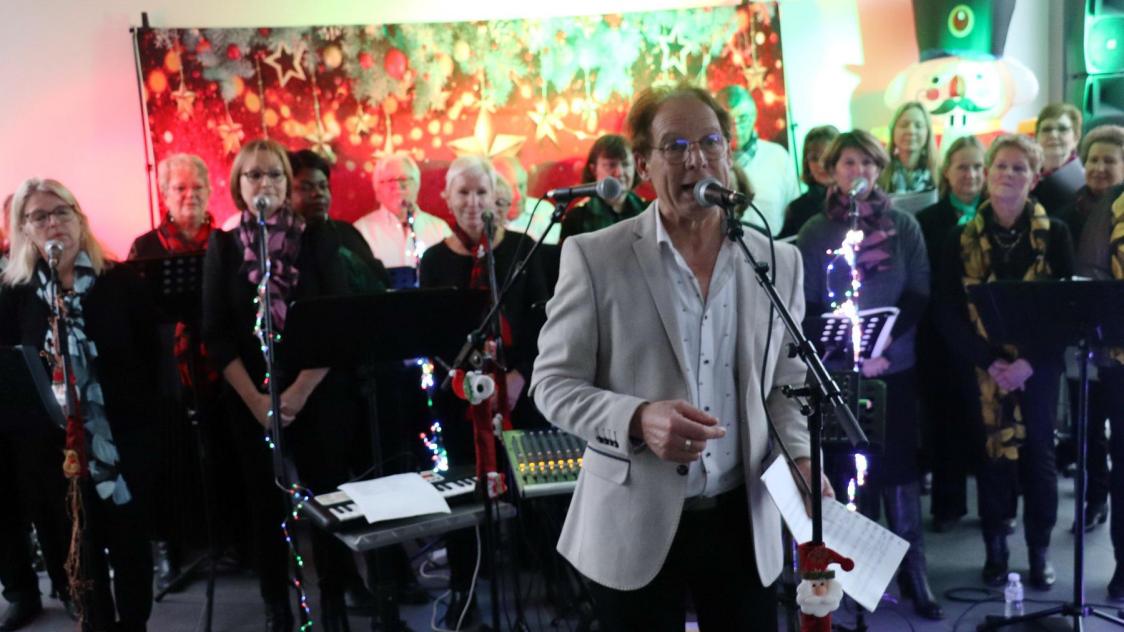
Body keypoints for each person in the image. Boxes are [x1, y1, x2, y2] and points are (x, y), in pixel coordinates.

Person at [531, 85, 832, 631]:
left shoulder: (776, 260)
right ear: (644, 163)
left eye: (710, 141)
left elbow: (786, 383)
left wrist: (800, 459)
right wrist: (638, 419)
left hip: (744, 516)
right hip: (632, 522)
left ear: (728, 153)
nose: (695, 159)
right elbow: (551, 385)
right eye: (674, 146)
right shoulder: (596, 256)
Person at [202, 139, 352, 631]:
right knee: (264, 504)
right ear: (237, 186)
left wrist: (297, 394)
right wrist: (259, 401)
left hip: (314, 391)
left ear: (287, 185)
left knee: (326, 501)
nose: (264, 184)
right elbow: (217, 334)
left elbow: (337, 325)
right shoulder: (222, 247)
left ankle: (333, 600)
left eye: (274, 176)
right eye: (253, 176)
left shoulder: (319, 239)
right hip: (250, 400)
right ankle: (276, 605)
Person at [1, 178, 162, 632]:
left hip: (122, 441)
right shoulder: (14, 295)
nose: (53, 223)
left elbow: (152, 367)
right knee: (80, 552)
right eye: (39, 216)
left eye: (62, 212)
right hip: (56, 454)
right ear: (24, 229)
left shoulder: (122, 283)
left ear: (79, 218)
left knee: (131, 549)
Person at [796, 130, 943, 620]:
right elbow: (812, 305)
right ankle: (860, 572)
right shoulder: (815, 231)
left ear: (879, 170)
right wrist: (852, 355)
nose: (856, 171)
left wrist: (884, 349)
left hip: (893, 368)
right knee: (846, 473)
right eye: (847, 163)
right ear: (831, 171)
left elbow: (919, 293)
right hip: (839, 373)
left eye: (866, 163)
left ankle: (913, 570)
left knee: (899, 469)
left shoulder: (905, 226)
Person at [937, 134, 1075, 590]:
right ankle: (996, 551)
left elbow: (1066, 309)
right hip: (983, 370)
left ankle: (1039, 552)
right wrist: (989, 362)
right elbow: (947, 309)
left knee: (1039, 460)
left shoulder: (1056, 234)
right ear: (987, 173)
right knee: (992, 458)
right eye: (1001, 166)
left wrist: (1028, 363)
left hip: (1038, 367)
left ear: (1035, 178)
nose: (1008, 175)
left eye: (1020, 168)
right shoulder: (960, 236)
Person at [419, 156, 550, 629]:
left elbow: (547, 327)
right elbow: (431, 334)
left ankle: (552, 576)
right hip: (462, 398)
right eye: (464, 194)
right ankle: (464, 587)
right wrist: (466, 381)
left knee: (537, 486)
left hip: (522, 391)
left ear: (498, 196)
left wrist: (519, 377)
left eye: (482, 192)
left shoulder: (523, 248)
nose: (474, 203)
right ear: (447, 201)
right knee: (464, 497)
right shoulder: (434, 261)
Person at [916, 135, 987, 533]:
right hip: (939, 335)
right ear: (947, 172)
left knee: (984, 423)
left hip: (986, 337)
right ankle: (948, 504)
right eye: (963, 166)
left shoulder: (997, 215)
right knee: (943, 422)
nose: (971, 175)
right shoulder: (928, 221)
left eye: (978, 167)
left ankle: (995, 509)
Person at [1057, 126, 1124, 543]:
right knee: (1085, 429)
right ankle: (1093, 498)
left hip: (1118, 347)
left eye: (1109, 160)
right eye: (1093, 159)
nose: (1099, 168)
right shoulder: (1065, 214)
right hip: (1078, 343)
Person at [289, 149, 390, 292]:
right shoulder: (280, 244)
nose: (318, 193)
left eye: (323, 186)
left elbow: (379, 283)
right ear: (284, 193)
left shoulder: (347, 233)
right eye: (306, 187)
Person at [717, 85, 800, 236]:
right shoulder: (709, 162)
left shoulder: (777, 156)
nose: (736, 126)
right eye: (728, 119)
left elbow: (792, 208)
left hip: (773, 247)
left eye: (743, 118)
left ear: (754, 117)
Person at [353, 152, 450, 276]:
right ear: (377, 191)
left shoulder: (439, 229)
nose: (398, 186)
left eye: (404, 179)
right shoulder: (361, 231)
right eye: (390, 180)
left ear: (417, 185)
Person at [560, 134, 645, 241]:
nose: (619, 172)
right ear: (593, 169)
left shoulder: (650, 211)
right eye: (611, 165)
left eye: (626, 164)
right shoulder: (577, 219)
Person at [129, 153, 214, 259]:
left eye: (198, 187)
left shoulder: (227, 243)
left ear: (209, 192)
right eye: (181, 188)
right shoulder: (143, 247)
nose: (191, 194)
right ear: (165, 196)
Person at [779, 125, 839, 239]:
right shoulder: (797, 208)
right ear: (807, 163)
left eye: (827, 157)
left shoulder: (857, 200)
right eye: (814, 159)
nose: (821, 165)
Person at [1032, 102, 1085, 216]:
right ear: (1036, 137)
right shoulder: (1027, 176)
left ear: (1076, 137)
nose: (1053, 134)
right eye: (1046, 129)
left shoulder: (1088, 179)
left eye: (1062, 129)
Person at [878, 101, 938, 195]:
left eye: (918, 126)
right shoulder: (879, 172)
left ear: (928, 133)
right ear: (893, 131)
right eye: (904, 125)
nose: (911, 131)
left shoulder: (940, 174)